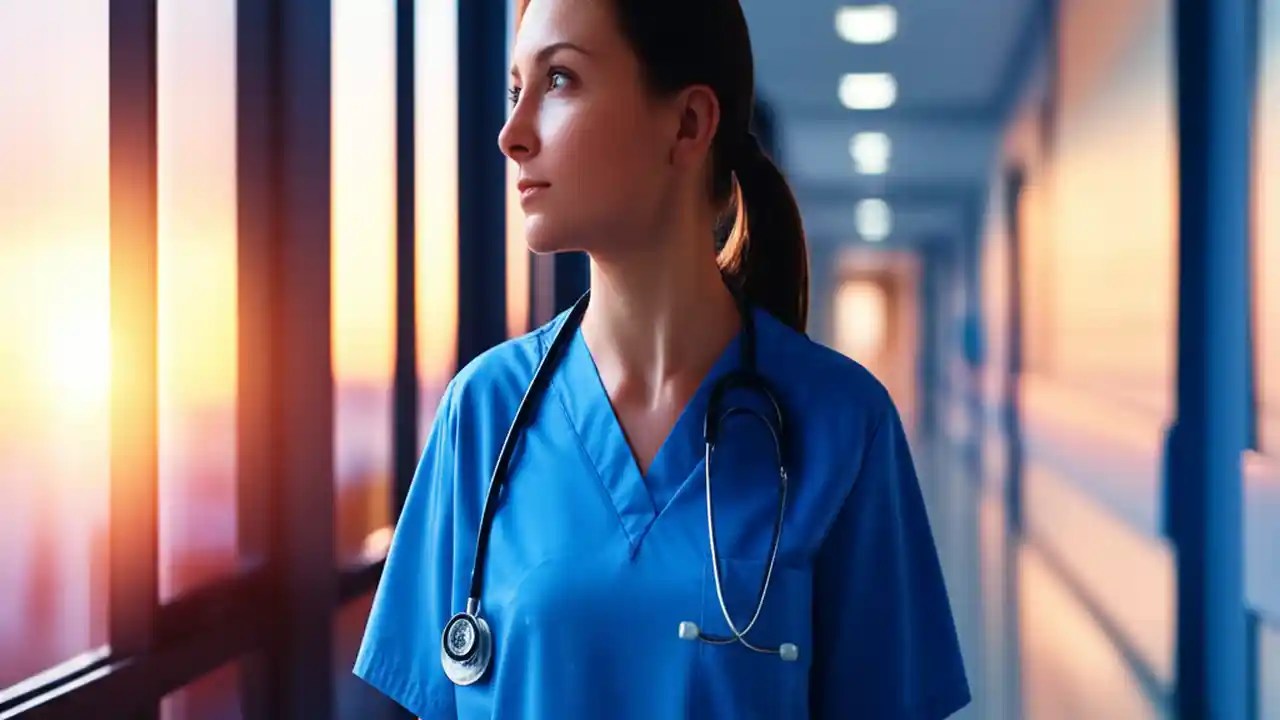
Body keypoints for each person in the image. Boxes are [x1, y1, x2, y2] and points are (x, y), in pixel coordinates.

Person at [353, 0, 971, 717]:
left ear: (688, 124)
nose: (512, 135)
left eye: (559, 81)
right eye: (516, 90)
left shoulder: (842, 423)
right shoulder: (484, 413)